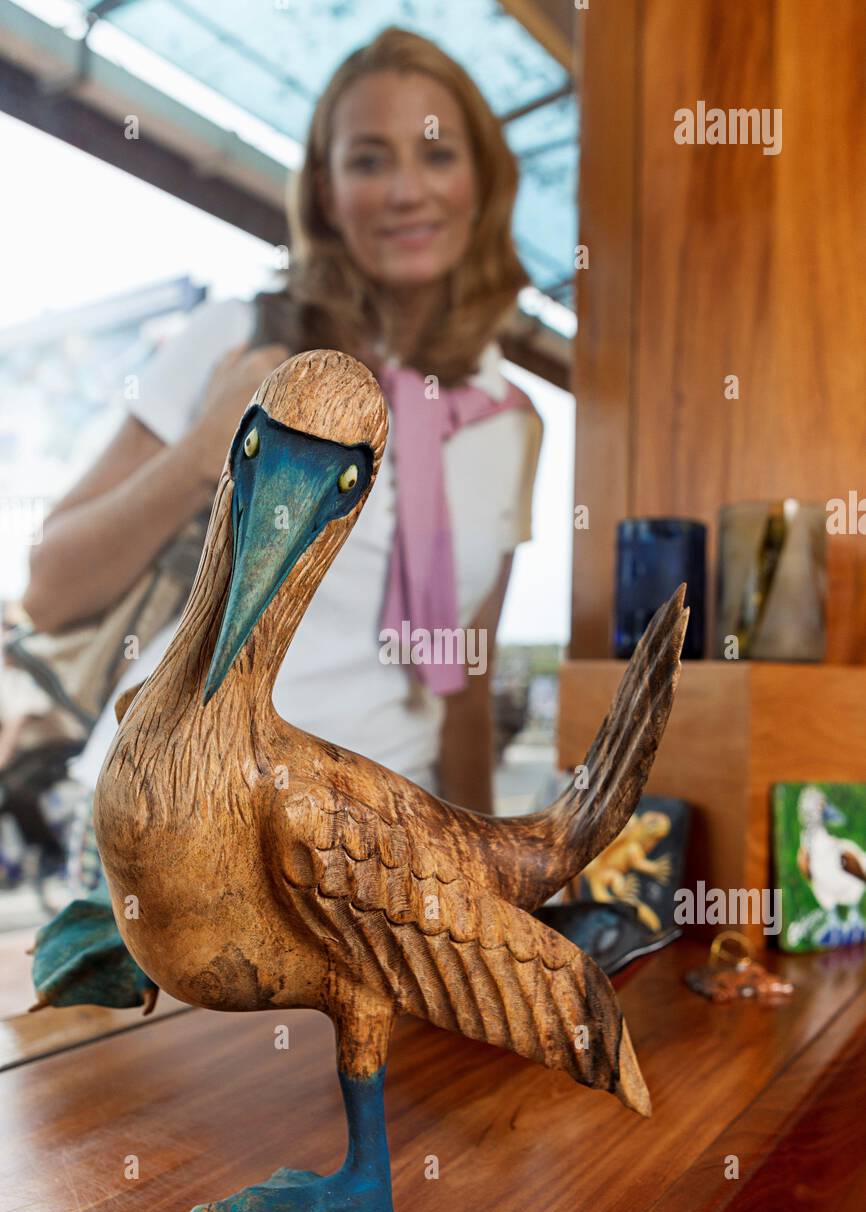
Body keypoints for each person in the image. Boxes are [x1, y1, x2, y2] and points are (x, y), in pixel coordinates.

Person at [23, 26, 542, 817]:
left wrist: (493, 881)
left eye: (437, 154)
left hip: (361, 852)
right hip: (179, 813)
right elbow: (50, 588)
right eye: (369, 159)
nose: (407, 189)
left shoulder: (512, 422)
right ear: (328, 192)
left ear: (482, 184)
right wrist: (204, 454)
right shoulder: (244, 335)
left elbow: (462, 693)